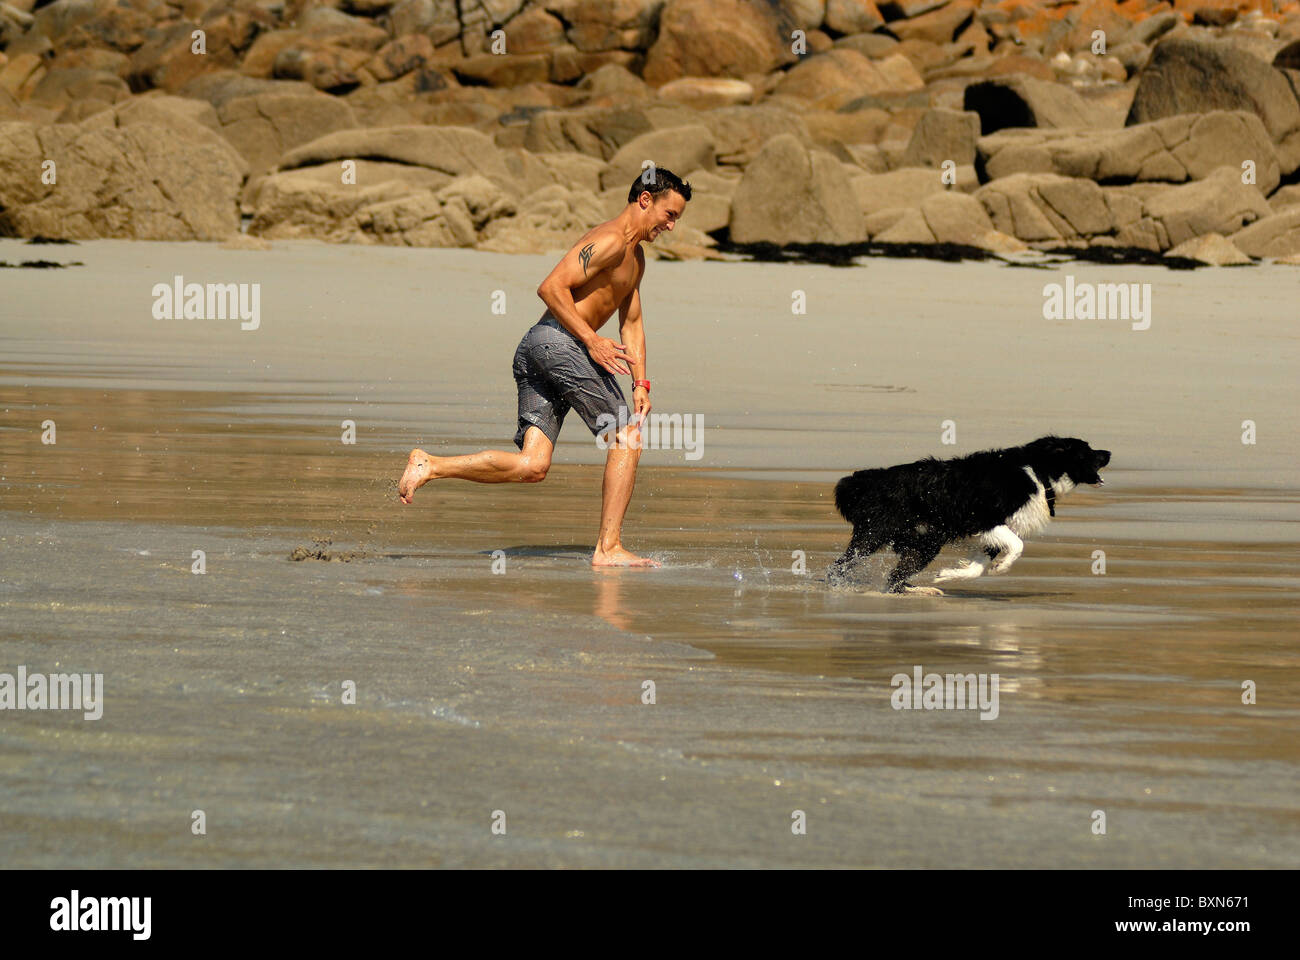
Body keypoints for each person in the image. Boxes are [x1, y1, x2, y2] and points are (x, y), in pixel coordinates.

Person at [397, 166, 692, 568]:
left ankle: (429, 464)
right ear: (645, 200)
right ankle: (608, 549)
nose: (671, 225)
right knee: (625, 435)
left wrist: (641, 382)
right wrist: (590, 338)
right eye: (669, 214)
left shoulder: (635, 258)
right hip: (559, 343)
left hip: (538, 348)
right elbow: (551, 286)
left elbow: (632, 322)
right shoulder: (609, 241)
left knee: (532, 466)